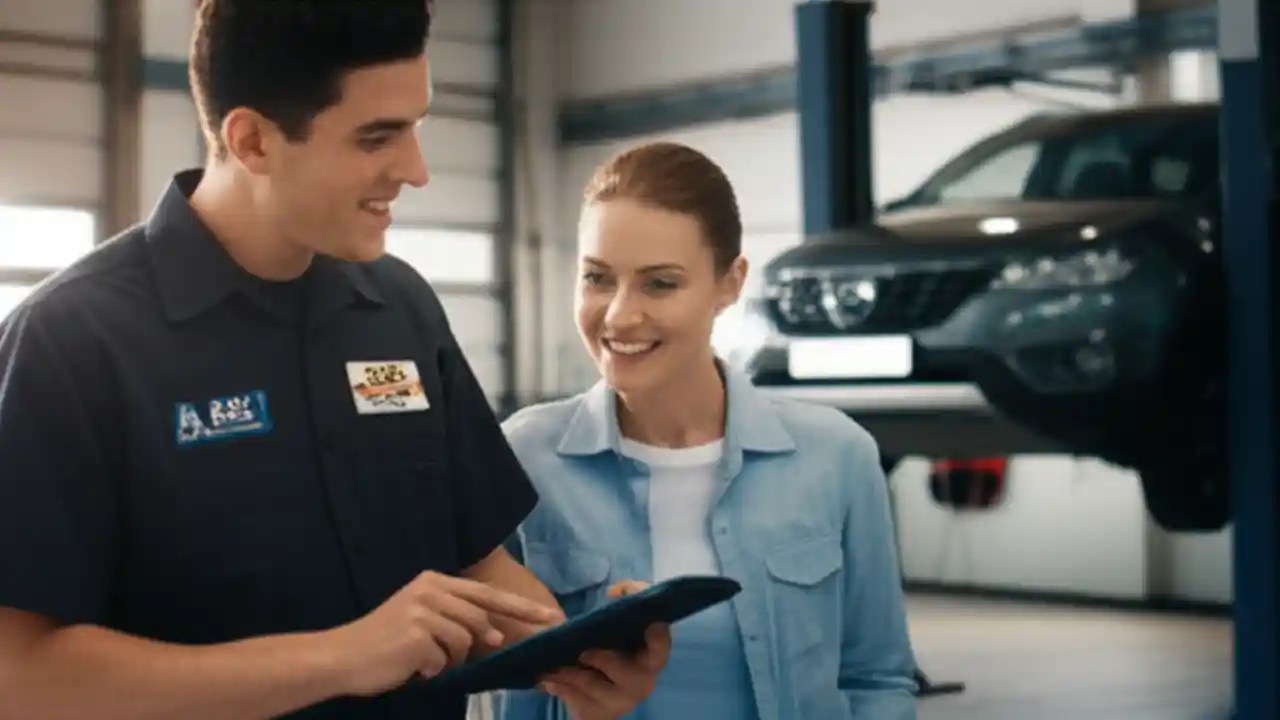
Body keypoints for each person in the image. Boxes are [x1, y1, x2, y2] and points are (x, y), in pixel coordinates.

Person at [0, 2, 669, 718]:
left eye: (415, 127)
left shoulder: (402, 309)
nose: (416, 170)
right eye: (376, 137)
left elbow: (477, 568)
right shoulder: (71, 344)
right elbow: (20, 676)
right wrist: (342, 658)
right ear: (253, 141)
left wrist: (573, 652)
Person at [495, 142, 919, 719]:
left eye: (659, 284)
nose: (619, 315)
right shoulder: (524, 457)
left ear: (730, 282)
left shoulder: (837, 457)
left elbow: (877, 678)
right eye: (597, 278)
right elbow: (500, 691)